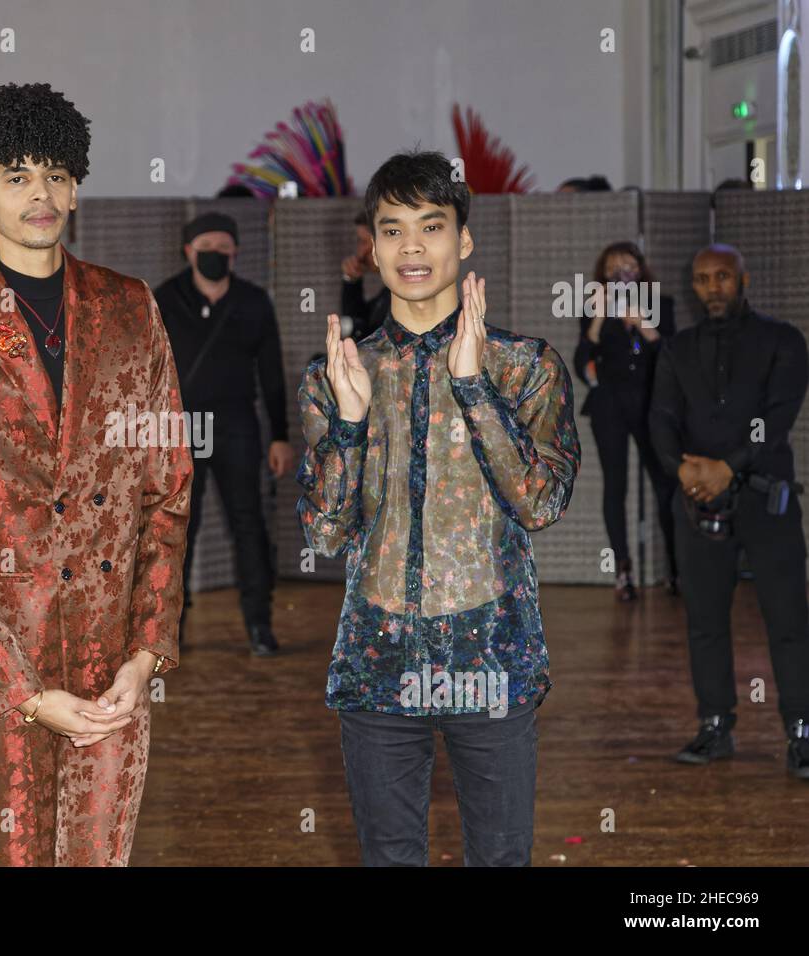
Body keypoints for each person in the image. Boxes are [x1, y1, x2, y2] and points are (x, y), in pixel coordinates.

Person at [0, 81, 191, 865]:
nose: (42, 194)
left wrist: (145, 650)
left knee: (100, 855)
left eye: (57, 173)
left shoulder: (132, 308)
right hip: (6, 665)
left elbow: (168, 493)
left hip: (112, 657)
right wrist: (24, 690)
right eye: (17, 175)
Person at [298, 149, 580, 866]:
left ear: (464, 240)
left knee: (500, 858)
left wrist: (474, 390)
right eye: (392, 230)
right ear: (372, 244)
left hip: (494, 661)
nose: (412, 247)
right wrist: (354, 424)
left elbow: (542, 505)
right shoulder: (338, 373)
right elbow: (325, 534)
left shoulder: (525, 366)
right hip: (376, 664)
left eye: (431, 226)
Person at [649, 243, 809, 777]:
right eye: (701, 279)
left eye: (722, 276)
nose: (712, 287)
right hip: (696, 505)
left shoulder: (782, 341)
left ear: (743, 280)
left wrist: (728, 467)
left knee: (787, 620)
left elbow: (776, 418)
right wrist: (683, 472)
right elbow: (661, 419)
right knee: (704, 622)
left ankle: (801, 732)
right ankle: (715, 726)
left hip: (767, 501)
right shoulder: (676, 349)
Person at [153, 211, 290, 655]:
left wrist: (279, 434)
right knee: (179, 530)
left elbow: (271, 372)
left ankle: (259, 625)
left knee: (248, 524)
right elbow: (146, 368)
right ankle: (171, 629)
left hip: (236, 424)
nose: (214, 255)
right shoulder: (165, 299)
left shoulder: (253, 301)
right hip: (182, 426)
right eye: (205, 248)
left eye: (223, 248)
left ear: (236, 252)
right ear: (189, 251)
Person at [572, 242, 679, 599]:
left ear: (641, 270)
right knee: (615, 485)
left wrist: (646, 327)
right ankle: (622, 571)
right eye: (614, 267)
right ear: (603, 274)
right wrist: (600, 316)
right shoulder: (592, 307)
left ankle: (675, 568)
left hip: (652, 404)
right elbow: (580, 360)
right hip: (610, 405)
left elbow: (676, 357)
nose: (622, 273)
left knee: (665, 483)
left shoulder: (661, 304)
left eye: (629, 266)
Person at [340, 209, 393, 343]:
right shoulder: (388, 292)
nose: (360, 253)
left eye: (363, 242)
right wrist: (351, 282)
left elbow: (370, 342)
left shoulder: (406, 294)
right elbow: (358, 321)